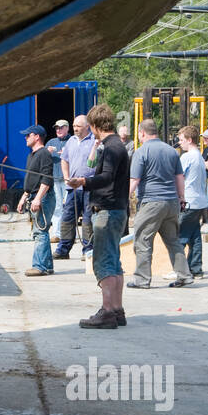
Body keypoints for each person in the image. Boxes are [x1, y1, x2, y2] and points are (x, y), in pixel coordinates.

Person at [67, 104, 130, 329]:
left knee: (103, 262)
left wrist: (83, 181)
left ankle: (107, 312)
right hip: (117, 209)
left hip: (107, 210)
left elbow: (106, 177)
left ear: (94, 126)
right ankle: (117, 310)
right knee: (114, 261)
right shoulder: (116, 145)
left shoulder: (111, 147)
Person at [127, 119, 192, 288]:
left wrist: (123, 197)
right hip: (171, 202)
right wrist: (181, 198)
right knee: (173, 241)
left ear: (142, 133)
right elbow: (179, 177)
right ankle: (184, 275)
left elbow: (135, 180)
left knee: (142, 240)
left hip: (151, 202)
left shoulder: (141, 152)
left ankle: (142, 279)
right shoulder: (172, 151)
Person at [16, 124, 55, 277]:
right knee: (41, 231)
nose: (25, 138)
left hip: (43, 197)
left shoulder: (44, 153)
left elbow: (46, 179)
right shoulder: (31, 155)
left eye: (28, 135)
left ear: (37, 136)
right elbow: (31, 180)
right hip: (33, 195)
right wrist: (23, 198)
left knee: (40, 232)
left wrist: (38, 198)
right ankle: (48, 266)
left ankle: (39, 266)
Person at [56, 116, 95, 259]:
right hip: (72, 188)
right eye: (74, 126)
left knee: (87, 219)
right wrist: (66, 178)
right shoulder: (71, 141)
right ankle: (63, 249)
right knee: (67, 218)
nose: (75, 128)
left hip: (88, 187)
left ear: (87, 126)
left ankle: (88, 250)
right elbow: (64, 160)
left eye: (78, 126)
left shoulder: (94, 141)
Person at [177, 126, 208, 279]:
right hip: (200, 201)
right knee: (195, 237)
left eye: (182, 140)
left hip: (188, 201)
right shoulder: (200, 157)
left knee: (180, 236)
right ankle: (196, 268)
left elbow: (178, 177)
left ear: (190, 140)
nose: (179, 143)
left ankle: (180, 269)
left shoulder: (187, 157)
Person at [46, 119, 71, 211]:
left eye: (61, 128)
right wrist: (46, 152)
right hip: (54, 179)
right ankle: (57, 226)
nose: (58, 130)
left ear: (67, 128)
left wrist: (68, 153)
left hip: (68, 180)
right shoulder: (51, 142)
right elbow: (43, 160)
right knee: (57, 207)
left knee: (68, 205)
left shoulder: (73, 141)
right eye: (57, 128)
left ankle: (68, 225)